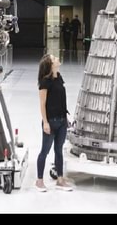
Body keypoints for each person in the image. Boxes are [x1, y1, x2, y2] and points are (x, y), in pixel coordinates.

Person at [36, 54, 73, 192]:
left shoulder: (59, 77)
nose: (57, 59)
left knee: (59, 150)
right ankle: (39, 181)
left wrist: (65, 118)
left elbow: (61, 99)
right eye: (54, 58)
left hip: (62, 121)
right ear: (51, 65)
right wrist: (45, 122)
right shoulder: (45, 82)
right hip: (50, 122)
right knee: (44, 151)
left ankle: (60, 180)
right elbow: (42, 103)